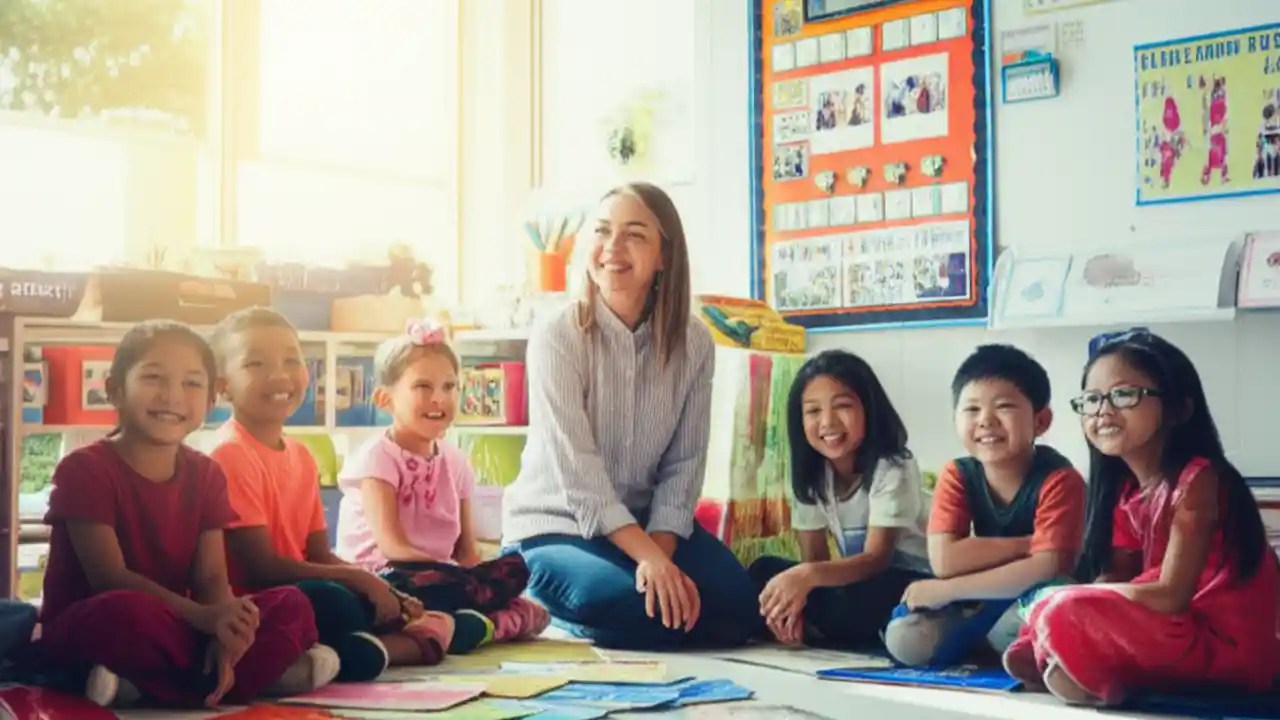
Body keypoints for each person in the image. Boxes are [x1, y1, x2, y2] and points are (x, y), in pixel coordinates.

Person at [502, 182, 761, 650]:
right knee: (636, 613)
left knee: (738, 608)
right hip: (557, 528)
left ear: (664, 255)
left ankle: (640, 581)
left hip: (647, 527)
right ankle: (539, 601)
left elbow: (685, 465)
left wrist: (658, 558)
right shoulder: (557, 335)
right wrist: (648, 568)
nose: (612, 249)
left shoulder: (695, 342)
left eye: (635, 235)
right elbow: (580, 479)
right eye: (602, 231)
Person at [35, 321, 334, 708]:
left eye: (192, 384)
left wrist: (225, 630)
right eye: (154, 377)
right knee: (125, 611)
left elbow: (211, 578)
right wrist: (203, 618)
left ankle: (145, 685)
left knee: (291, 605)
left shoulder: (206, 473)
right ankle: (232, 681)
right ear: (114, 390)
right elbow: (108, 577)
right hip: (106, 620)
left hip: (181, 622)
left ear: (211, 400)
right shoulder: (85, 469)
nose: (172, 396)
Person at [1004, 330, 1280, 706]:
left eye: (1123, 394)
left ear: (1180, 409)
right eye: (1092, 399)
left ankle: (1095, 675)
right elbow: (1119, 578)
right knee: (1049, 603)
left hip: (1220, 643)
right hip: (1174, 627)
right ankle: (1074, 663)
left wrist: (1071, 598)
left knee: (1062, 606)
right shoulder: (1126, 490)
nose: (1103, 410)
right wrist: (1067, 596)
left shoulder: (1200, 479)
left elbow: (1170, 596)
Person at [208, 308, 462, 681]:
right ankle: (382, 646)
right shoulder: (230, 454)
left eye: (291, 359)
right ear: (223, 385)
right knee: (333, 600)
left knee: (404, 590)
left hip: (305, 587)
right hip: (262, 602)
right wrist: (361, 582)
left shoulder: (301, 456)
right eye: (256, 363)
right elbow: (260, 568)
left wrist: (381, 586)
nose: (278, 374)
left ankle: (360, 649)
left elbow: (318, 554)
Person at [335, 320, 549, 646]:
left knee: (518, 567)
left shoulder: (456, 461)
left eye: (449, 387)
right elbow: (392, 547)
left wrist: (468, 574)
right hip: (387, 575)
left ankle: (465, 617)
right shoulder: (378, 458)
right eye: (423, 387)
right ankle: (481, 620)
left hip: (445, 574)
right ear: (385, 399)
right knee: (421, 587)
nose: (439, 399)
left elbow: (467, 549)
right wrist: (455, 575)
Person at [884, 344, 1085, 667]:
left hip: (1032, 595)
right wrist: (1030, 545)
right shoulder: (958, 474)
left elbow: (1046, 568)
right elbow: (946, 560)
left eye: (1004, 407)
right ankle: (984, 642)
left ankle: (989, 643)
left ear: (1041, 420)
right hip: (977, 596)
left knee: (1023, 622)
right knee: (904, 639)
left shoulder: (1060, 478)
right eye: (972, 409)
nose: (986, 421)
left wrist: (947, 590)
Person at [748, 350, 931, 648]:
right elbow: (814, 561)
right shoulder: (811, 473)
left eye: (842, 406)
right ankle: (805, 625)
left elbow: (876, 560)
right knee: (764, 571)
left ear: (869, 410)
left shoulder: (893, 466)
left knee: (862, 597)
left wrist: (807, 577)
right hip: (855, 582)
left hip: (906, 581)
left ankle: (827, 628)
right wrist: (797, 600)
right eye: (813, 411)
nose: (828, 422)